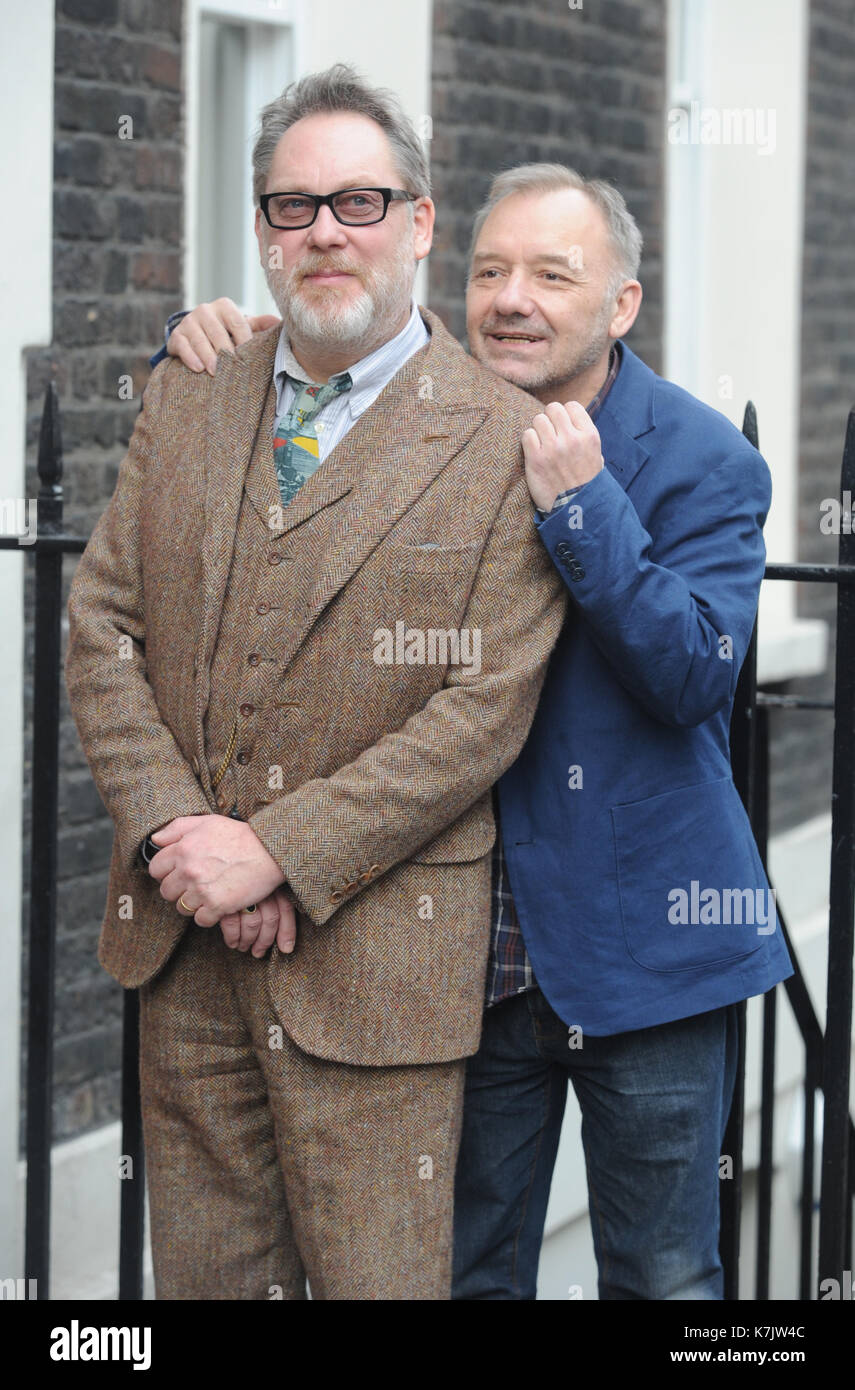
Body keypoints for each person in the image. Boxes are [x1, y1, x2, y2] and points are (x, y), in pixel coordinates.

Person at [166, 160, 793, 1301]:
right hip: (459, 957)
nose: (513, 297)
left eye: (555, 274)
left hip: (643, 950)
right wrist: (212, 337)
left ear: (621, 305)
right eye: (492, 268)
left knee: (662, 1278)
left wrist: (586, 507)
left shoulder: (706, 459)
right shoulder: (419, 416)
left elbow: (696, 674)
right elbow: (303, 393)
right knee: (463, 1273)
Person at [64, 67, 567, 1301]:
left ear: (421, 222)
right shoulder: (191, 389)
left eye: (358, 199)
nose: (326, 231)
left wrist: (279, 851)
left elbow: (481, 709)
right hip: (185, 956)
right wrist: (185, 838)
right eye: (294, 207)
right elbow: (102, 623)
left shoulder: (509, 438)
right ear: (262, 231)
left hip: (379, 971)